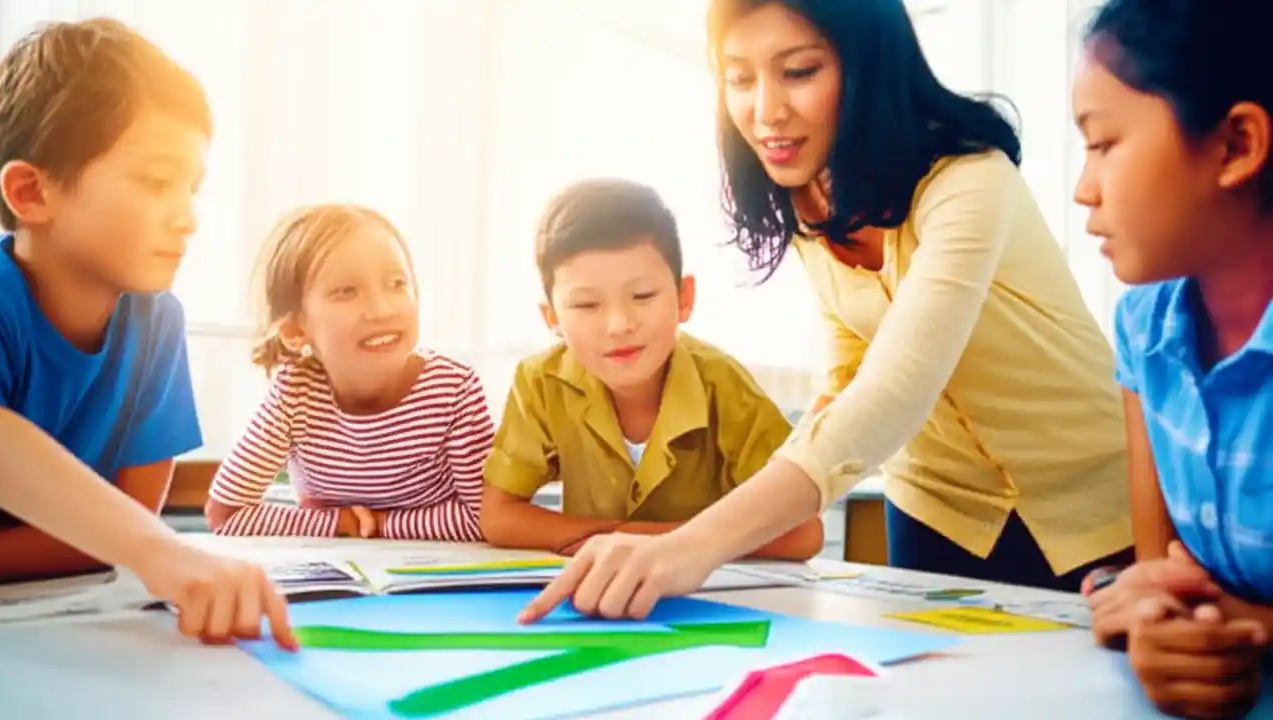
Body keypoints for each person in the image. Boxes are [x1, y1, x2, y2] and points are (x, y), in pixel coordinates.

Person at [520, 0, 1132, 623]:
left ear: (867, 68)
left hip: (1088, 505)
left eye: (798, 71)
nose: (765, 113)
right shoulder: (806, 201)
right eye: (739, 78)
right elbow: (845, 378)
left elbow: (895, 389)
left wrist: (690, 545)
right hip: (939, 509)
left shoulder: (972, 179)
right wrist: (748, 502)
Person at [0, 18, 294, 648]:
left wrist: (141, 546)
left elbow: (137, 520)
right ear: (30, 191)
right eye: (157, 183)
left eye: (193, 188)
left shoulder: (157, 321)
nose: (187, 217)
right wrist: (148, 549)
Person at [1073, 1, 1273, 716]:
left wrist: (1248, 629)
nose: (1082, 189)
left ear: (1235, 145)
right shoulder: (1144, 327)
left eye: (1102, 144)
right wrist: (1155, 622)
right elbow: (1157, 574)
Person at [480, 179, 821, 559]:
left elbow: (802, 533)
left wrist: (655, 546)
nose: (618, 325)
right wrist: (640, 541)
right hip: (596, 597)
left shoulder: (723, 385)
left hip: (710, 595)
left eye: (642, 296)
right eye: (587, 305)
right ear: (552, 316)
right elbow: (499, 517)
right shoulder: (540, 381)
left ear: (683, 297)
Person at [206, 205, 494, 540]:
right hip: (338, 573)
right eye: (345, 291)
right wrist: (340, 524)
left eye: (396, 283)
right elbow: (226, 513)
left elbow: (487, 518)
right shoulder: (295, 390)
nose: (381, 309)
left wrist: (375, 525)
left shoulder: (454, 387)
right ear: (295, 328)